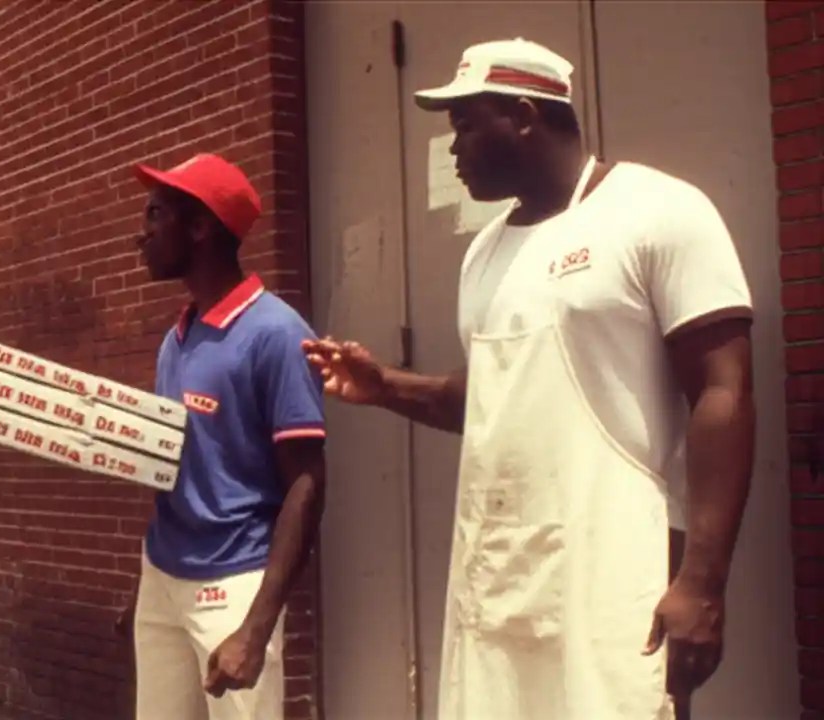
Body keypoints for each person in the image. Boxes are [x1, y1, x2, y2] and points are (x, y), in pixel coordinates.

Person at [303, 38, 754, 720]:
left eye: (464, 124)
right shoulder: (484, 251)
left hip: (613, 570)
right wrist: (385, 385)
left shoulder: (658, 211)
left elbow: (725, 391)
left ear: (522, 115)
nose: (452, 148)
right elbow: (495, 395)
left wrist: (704, 580)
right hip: (501, 576)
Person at [116, 153, 327, 720]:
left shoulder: (276, 335)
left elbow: (307, 483)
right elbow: (180, 465)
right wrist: (147, 584)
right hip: (162, 572)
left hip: (234, 583)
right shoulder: (177, 336)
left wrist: (256, 629)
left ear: (202, 226)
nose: (143, 234)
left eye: (156, 215)